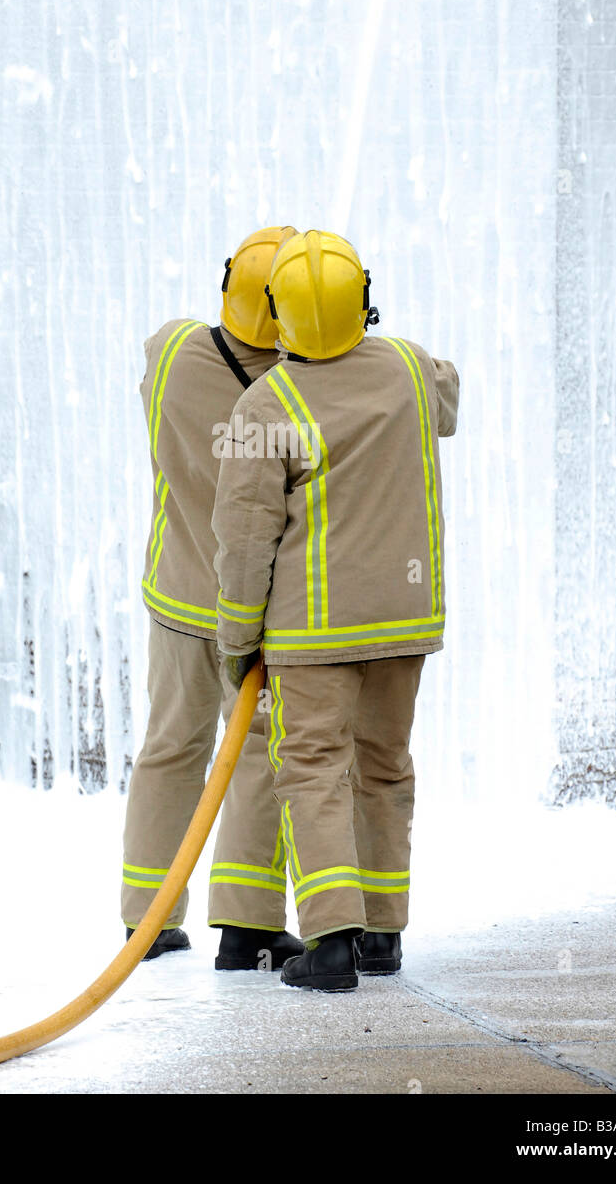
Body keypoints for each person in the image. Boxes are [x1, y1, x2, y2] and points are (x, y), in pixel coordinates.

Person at [211, 229, 459, 990]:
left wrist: (236, 639)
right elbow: (448, 400)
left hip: (313, 632)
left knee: (312, 769)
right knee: (385, 766)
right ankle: (383, 936)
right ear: (363, 300)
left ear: (279, 314)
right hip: (403, 620)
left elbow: (244, 541)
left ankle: (329, 944)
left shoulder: (265, 404)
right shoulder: (415, 372)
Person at [122, 226, 304, 972]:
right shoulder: (294, 390)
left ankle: (148, 917)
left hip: (176, 598)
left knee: (171, 748)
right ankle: (248, 921)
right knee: (257, 754)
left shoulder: (171, 353)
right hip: (255, 613)